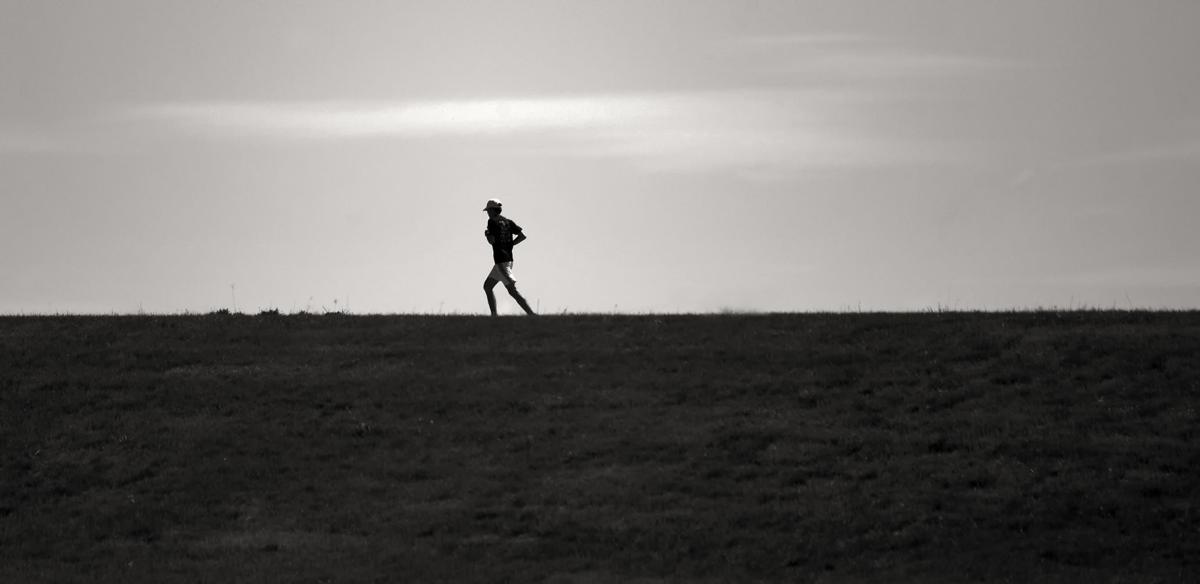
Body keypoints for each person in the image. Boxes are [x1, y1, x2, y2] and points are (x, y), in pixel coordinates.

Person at [482, 199, 536, 316]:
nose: (487, 213)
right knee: (487, 286)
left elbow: (492, 241)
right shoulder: (508, 222)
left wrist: (487, 234)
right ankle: (494, 315)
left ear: (492, 210)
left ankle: (532, 314)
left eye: (488, 210)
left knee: (512, 290)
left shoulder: (491, 222)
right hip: (507, 260)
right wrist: (510, 244)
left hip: (501, 261)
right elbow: (522, 236)